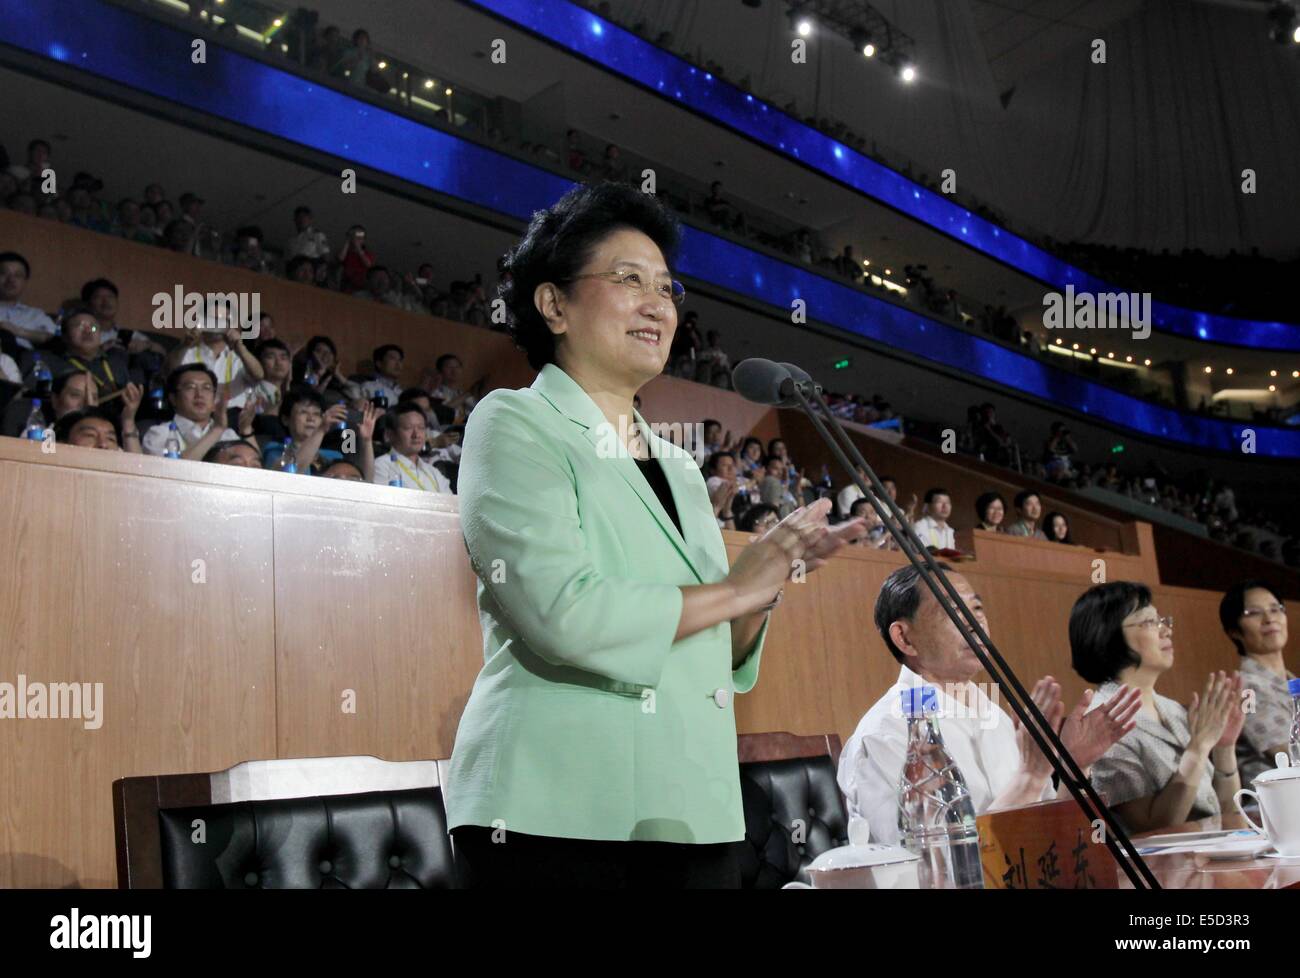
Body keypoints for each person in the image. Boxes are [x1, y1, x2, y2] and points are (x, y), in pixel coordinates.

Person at [446, 181, 866, 888]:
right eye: (627, 279)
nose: (657, 304)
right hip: (557, 808)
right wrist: (737, 586)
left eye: (668, 289)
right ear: (552, 304)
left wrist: (766, 585)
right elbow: (563, 613)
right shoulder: (514, 421)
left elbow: (714, 642)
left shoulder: (678, 465)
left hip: (692, 805)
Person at [839, 564, 1140, 845]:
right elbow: (928, 868)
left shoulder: (996, 715)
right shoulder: (885, 733)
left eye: (978, 608)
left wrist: (1074, 768)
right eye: (953, 611)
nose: (976, 621)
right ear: (904, 638)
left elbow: (1049, 837)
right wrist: (1030, 776)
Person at [1070, 581, 1245, 833]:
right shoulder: (1103, 722)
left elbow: (1225, 814)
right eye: (1150, 622)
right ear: (1108, 634)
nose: (1166, 631)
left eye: (1162, 621)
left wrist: (1224, 747)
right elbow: (1153, 829)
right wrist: (1197, 748)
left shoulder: (1171, 709)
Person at [1218, 581, 1295, 784]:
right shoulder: (1244, 690)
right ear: (1234, 631)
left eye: (1275, 609)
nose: (1270, 619)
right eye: (1253, 612)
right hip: (1274, 804)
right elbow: (1287, 755)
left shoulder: (1292, 681)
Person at [141, 364, 243, 459]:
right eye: (190, 387)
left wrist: (247, 430)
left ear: (214, 399)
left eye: (206, 388)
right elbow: (170, 472)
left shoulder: (228, 435)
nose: (199, 394)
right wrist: (216, 431)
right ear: (173, 399)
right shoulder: (160, 433)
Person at [371, 401, 450, 491]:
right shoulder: (381, 466)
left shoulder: (433, 472)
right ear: (390, 434)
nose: (416, 435)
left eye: (421, 427)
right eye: (408, 428)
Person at [0, 251, 58, 350]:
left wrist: (17, 331)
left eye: (18, 275)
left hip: (25, 359)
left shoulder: (34, 314)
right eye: (3, 273)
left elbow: (51, 336)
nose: (11, 280)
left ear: (25, 282)